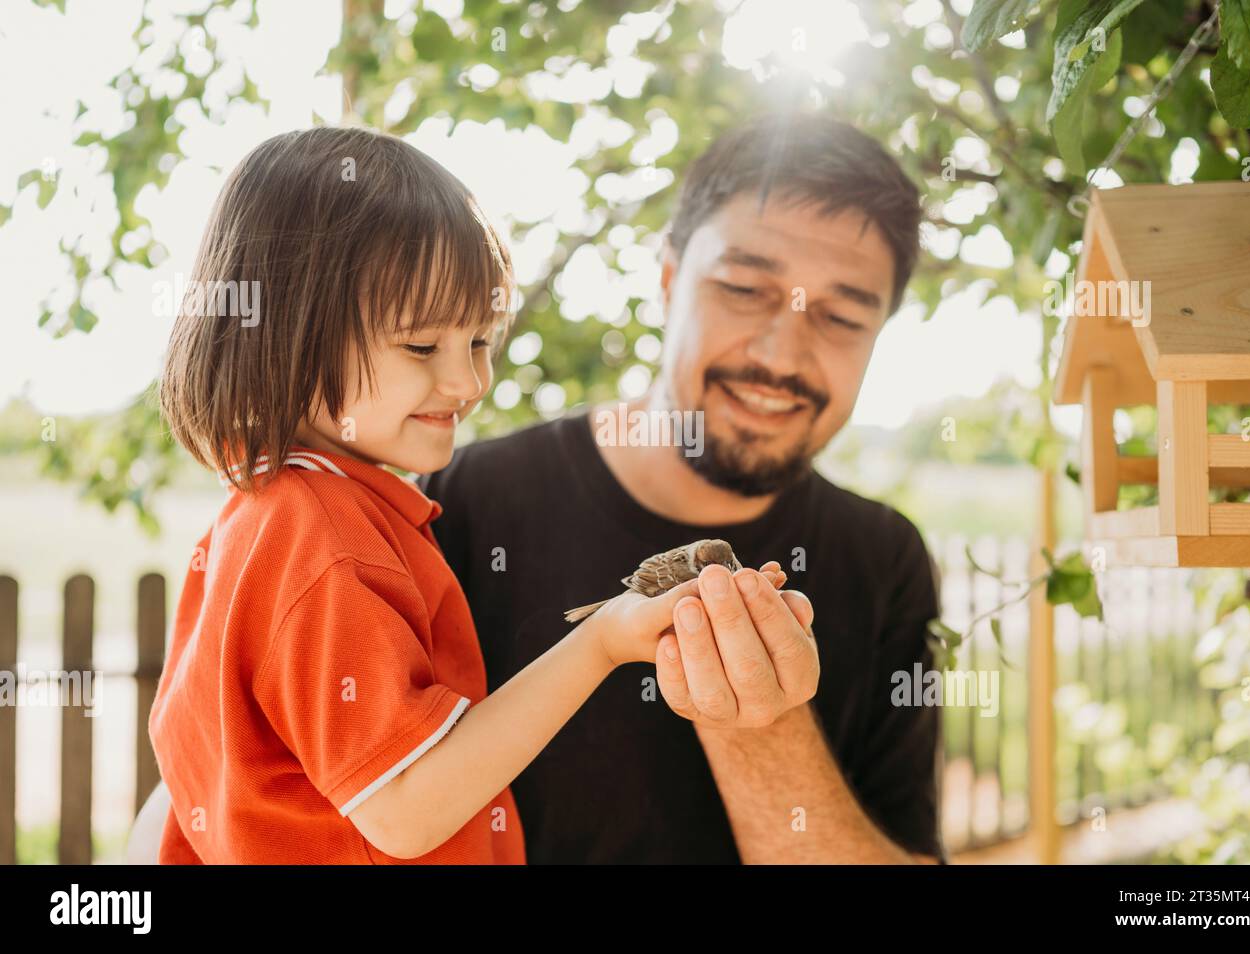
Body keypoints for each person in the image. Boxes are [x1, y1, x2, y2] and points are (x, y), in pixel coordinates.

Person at [144, 125, 791, 864]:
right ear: (285, 335)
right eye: (422, 346)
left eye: (479, 341)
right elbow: (406, 808)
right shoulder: (321, 535)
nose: (468, 382)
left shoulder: (273, 516)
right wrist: (603, 641)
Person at [421, 113, 945, 863]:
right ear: (668, 281)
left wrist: (758, 725)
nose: (781, 354)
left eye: (839, 316)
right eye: (743, 288)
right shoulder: (466, 500)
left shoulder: (886, 559)